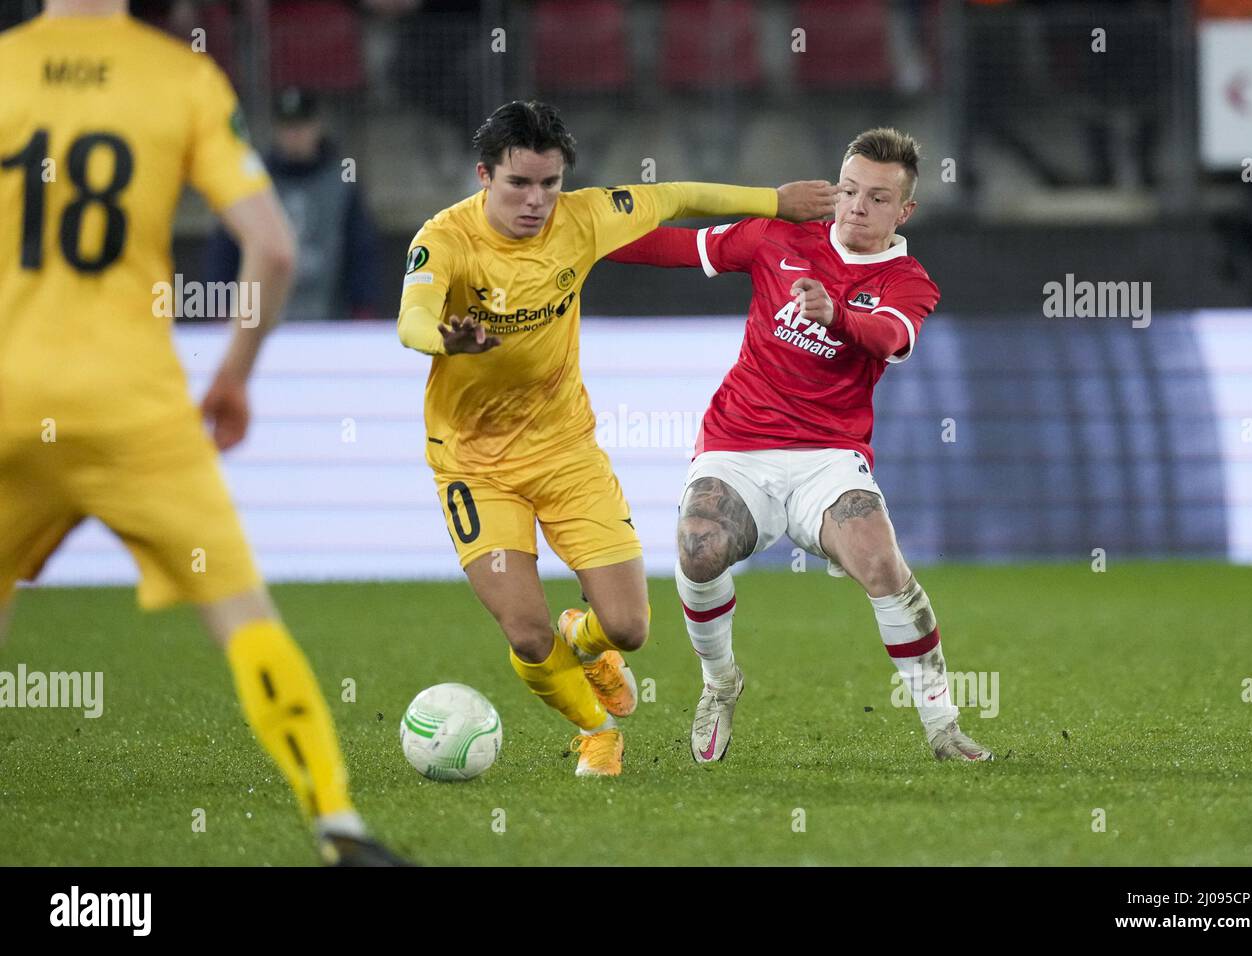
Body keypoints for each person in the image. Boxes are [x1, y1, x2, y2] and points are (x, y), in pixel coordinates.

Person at [0, 0, 405, 865]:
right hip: (134, 410)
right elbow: (274, 248)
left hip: (6, 402)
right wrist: (233, 377)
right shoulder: (177, 75)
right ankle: (338, 825)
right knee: (243, 616)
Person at [396, 99, 836, 777]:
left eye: (549, 183)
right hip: (475, 464)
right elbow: (412, 317)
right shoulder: (445, 238)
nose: (537, 200)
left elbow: (680, 195)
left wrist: (774, 201)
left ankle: (588, 638)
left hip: (565, 450)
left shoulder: (585, 216)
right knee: (525, 629)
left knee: (628, 628)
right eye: (519, 183)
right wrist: (444, 339)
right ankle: (597, 733)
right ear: (484, 175)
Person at [605, 128, 996, 764]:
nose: (856, 207)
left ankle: (943, 725)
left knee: (881, 565)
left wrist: (834, 315)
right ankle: (720, 682)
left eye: (876, 197)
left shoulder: (908, 280)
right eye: (848, 190)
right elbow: (673, 247)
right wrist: (583, 237)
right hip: (739, 443)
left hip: (829, 457)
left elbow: (888, 337)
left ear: (905, 211)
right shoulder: (778, 235)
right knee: (697, 547)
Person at [204, 86, 383, 322]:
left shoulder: (342, 182)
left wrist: (364, 311)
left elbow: (362, 253)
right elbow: (226, 249)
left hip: (329, 325)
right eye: (288, 127)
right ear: (276, 130)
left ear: (317, 126)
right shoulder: (252, 181)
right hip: (260, 326)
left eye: (302, 125)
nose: (295, 135)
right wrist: (219, 308)